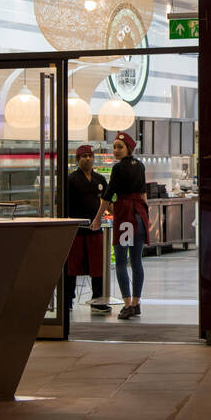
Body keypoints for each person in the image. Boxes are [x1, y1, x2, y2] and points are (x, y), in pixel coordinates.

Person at [90, 130, 149, 320]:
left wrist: (98, 218)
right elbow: (143, 193)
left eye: (120, 147)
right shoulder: (140, 166)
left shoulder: (118, 169)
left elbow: (108, 195)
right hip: (140, 214)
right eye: (114, 147)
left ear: (129, 148)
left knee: (122, 262)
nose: (115, 150)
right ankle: (136, 302)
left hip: (125, 216)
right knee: (137, 261)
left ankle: (127, 304)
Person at [64, 145, 109, 314]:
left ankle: (98, 300)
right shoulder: (71, 179)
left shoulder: (99, 179)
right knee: (72, 267)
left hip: (95, 229)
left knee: (97, 267)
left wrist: (113, 211)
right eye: (84, 156)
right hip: (76, 230)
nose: (88, 158)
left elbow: (109, 198)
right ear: (77, 160)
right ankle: (68, 299)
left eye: (90, 155)